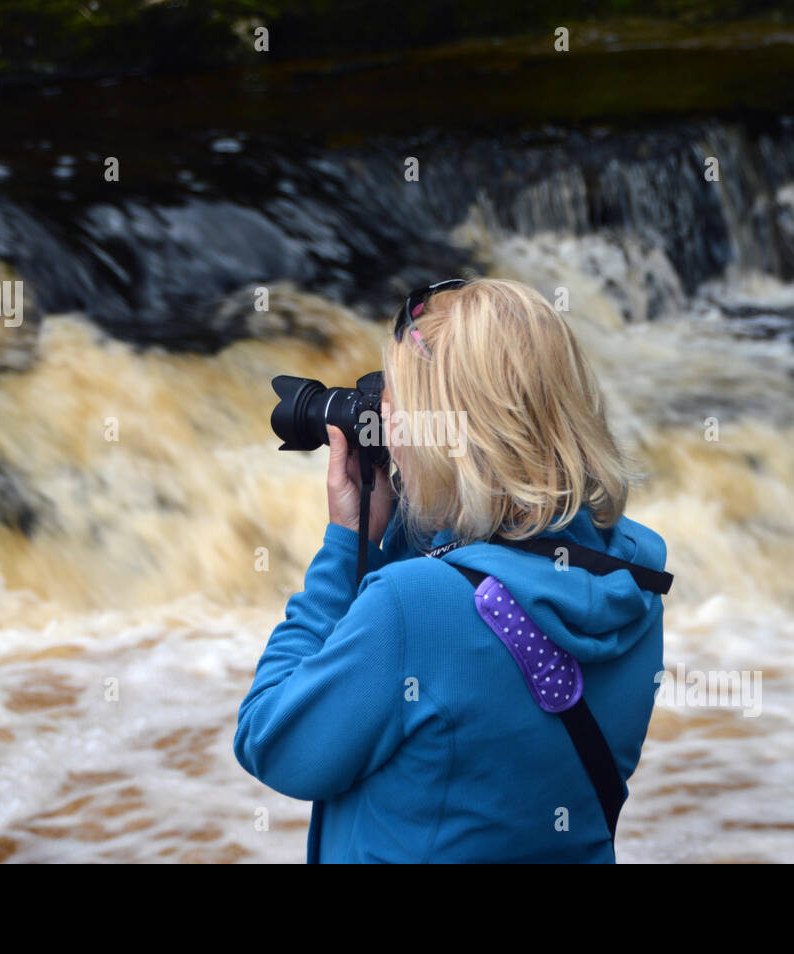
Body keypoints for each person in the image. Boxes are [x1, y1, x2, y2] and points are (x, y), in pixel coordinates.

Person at [234, 277, 669, 862]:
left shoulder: (411, 606)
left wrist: (348, 542)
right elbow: (494, 573)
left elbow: (274, 741)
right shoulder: (629, 571)